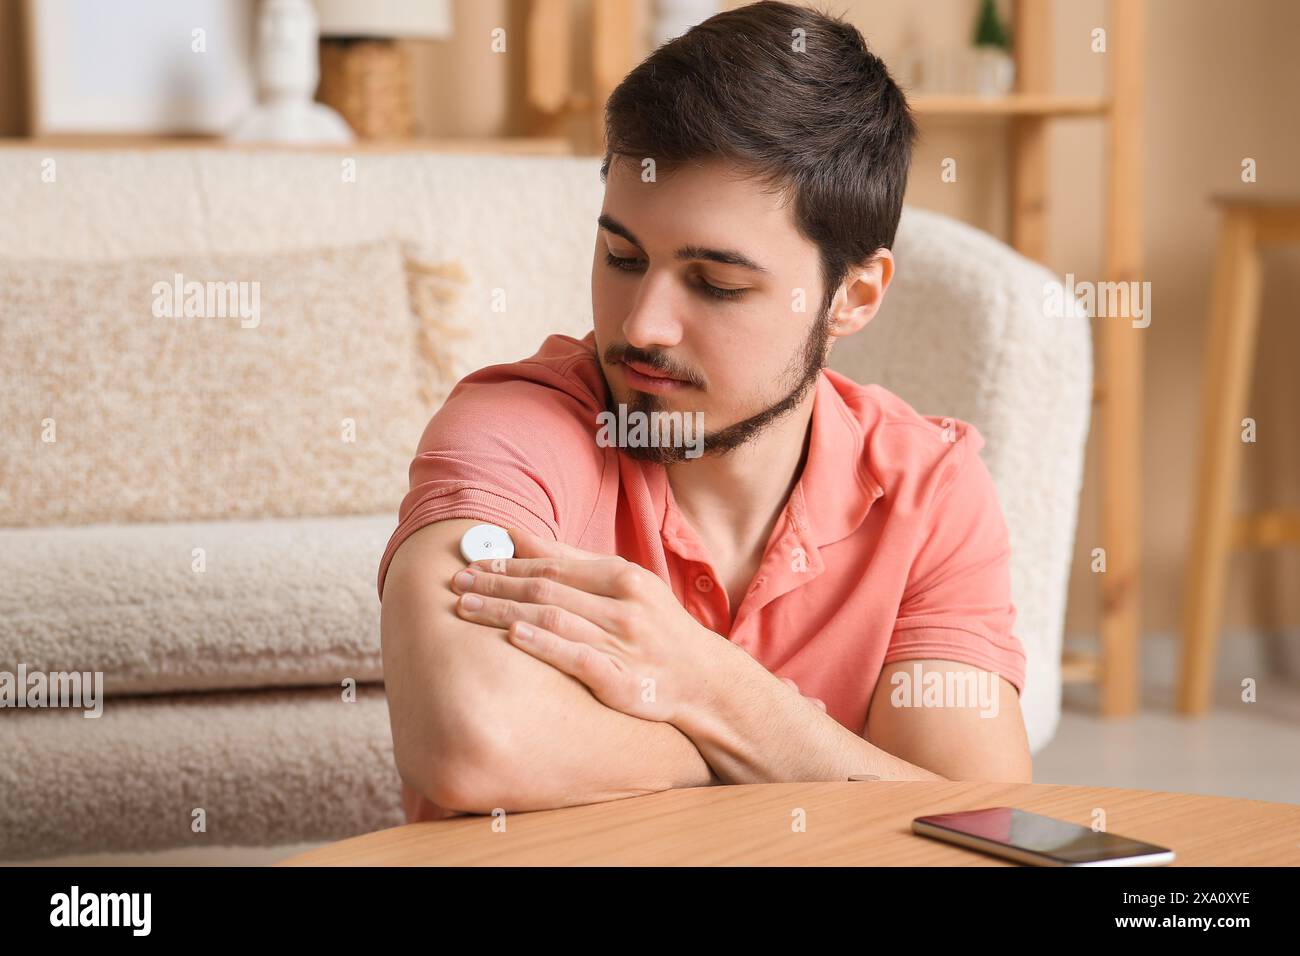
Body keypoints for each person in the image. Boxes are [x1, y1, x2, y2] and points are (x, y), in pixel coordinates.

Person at [378, 0, 1031, 824]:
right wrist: (777, 750)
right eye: (622, 257)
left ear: (852, 297)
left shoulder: (928, 488)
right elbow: (473, 746)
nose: (642, 325)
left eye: (716, 284)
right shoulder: (516, 431)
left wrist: (702, 678)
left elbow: (977, 825)